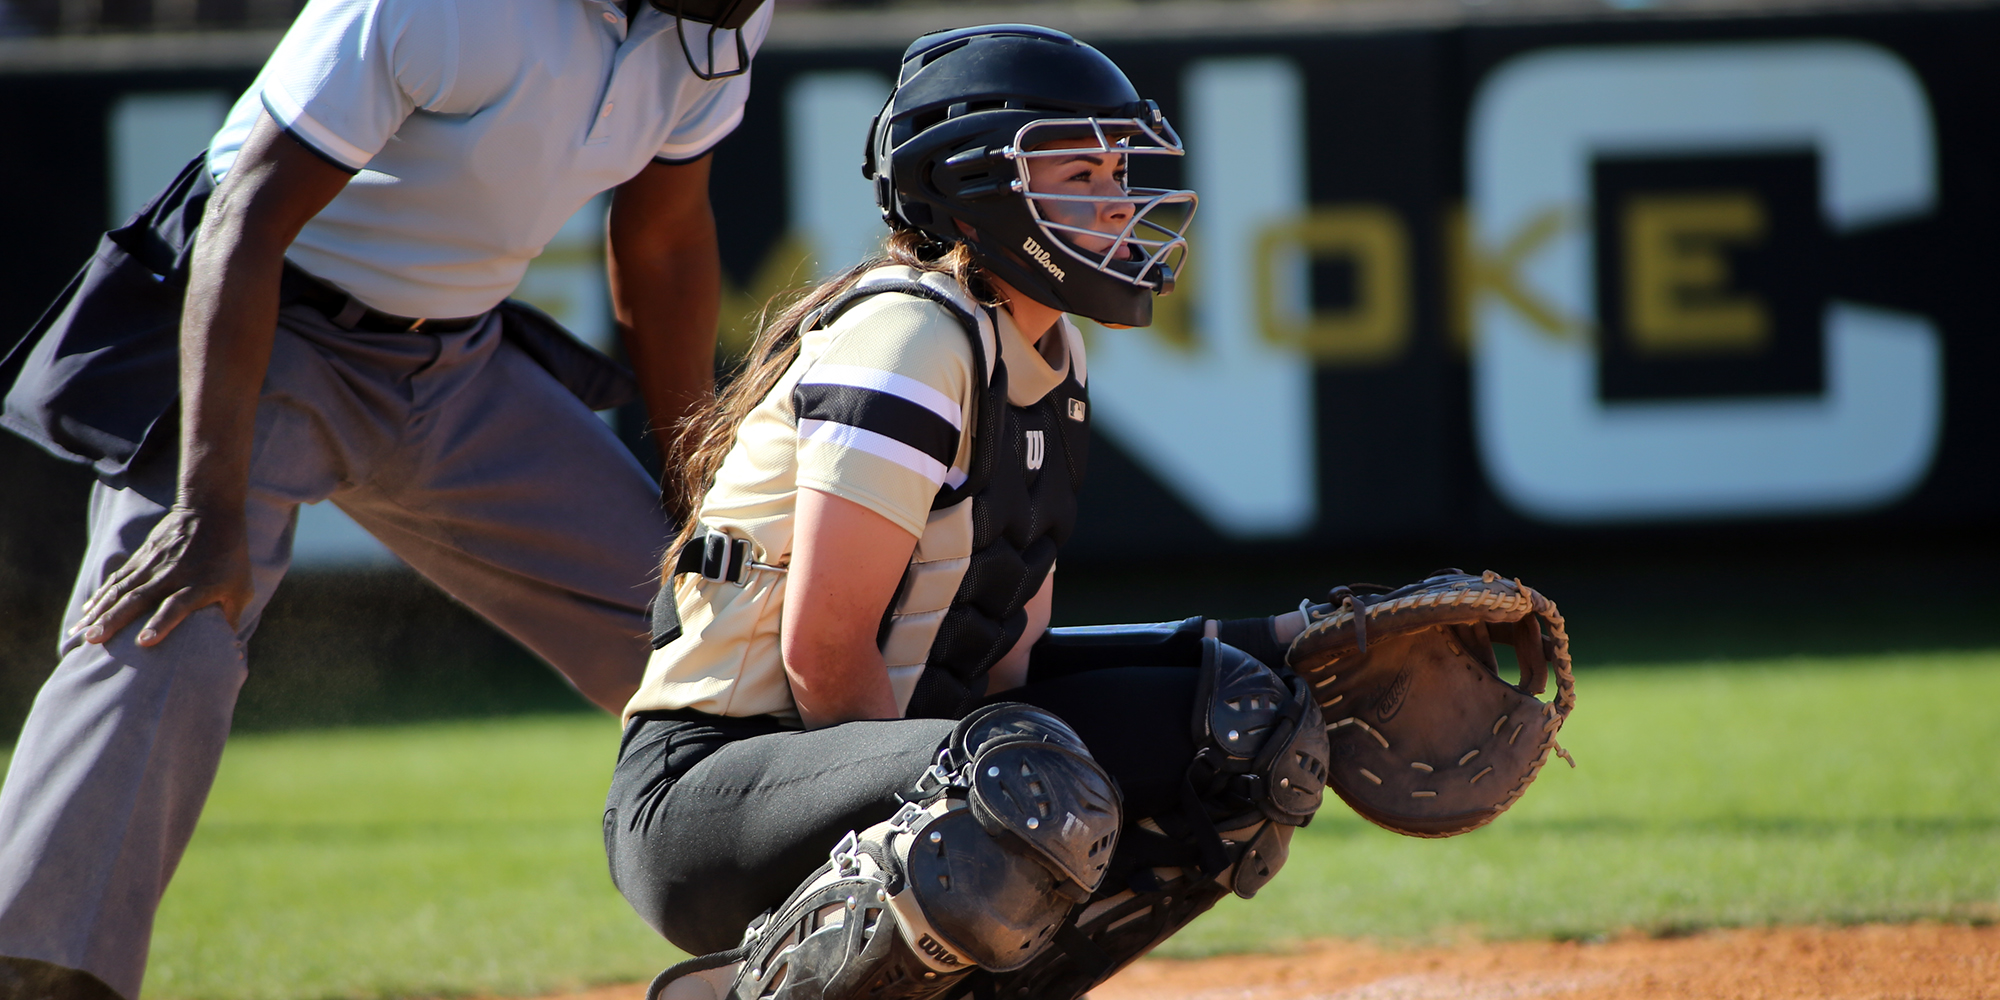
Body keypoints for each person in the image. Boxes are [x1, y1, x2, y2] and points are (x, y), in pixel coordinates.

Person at [0, 0, 774, 996]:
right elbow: (247, 212)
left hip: (457, 362)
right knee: (168, 621)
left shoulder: (713, 21)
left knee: (709, 628)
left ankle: (853, 922)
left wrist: (693, 500)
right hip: (273, 329)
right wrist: (205, 503)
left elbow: (662, 244)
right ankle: (37, 973)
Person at [603, 26, 1332, 1000]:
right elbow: (823, 654)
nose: (1118, 199)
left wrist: (1274, 648)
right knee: (1024, 782)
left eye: (1117, 168)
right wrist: (960, 811)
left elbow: (1004, 665)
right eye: (1081, 170)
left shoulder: (1046, 350)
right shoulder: (908, 330)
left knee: (1242, 728)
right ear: (980, 189)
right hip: (711, 790)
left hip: (893, 758)